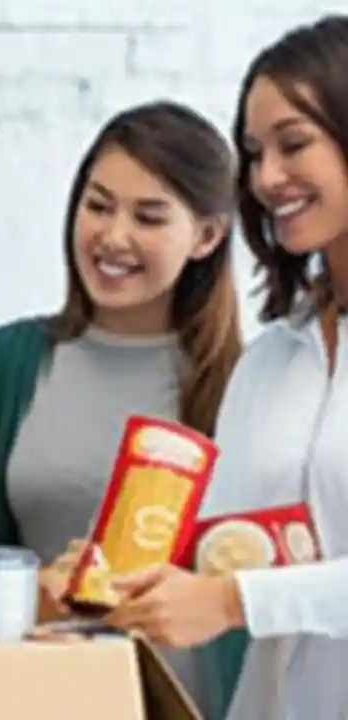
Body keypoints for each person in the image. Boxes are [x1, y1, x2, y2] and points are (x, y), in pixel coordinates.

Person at [0, 100, 244, 714]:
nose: (113, 237)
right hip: (34, 700)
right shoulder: (0, 365)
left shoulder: (252, 384)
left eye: (149, 217)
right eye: (97, 205)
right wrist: (20, 587)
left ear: (207, 235)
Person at [101, 15, 348, 720]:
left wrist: (235, 601)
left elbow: (229, 593)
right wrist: (111, 578)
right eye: (254, 152)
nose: (267, 178)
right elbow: (218, 551)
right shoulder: (274, 357)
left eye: (294, 143)